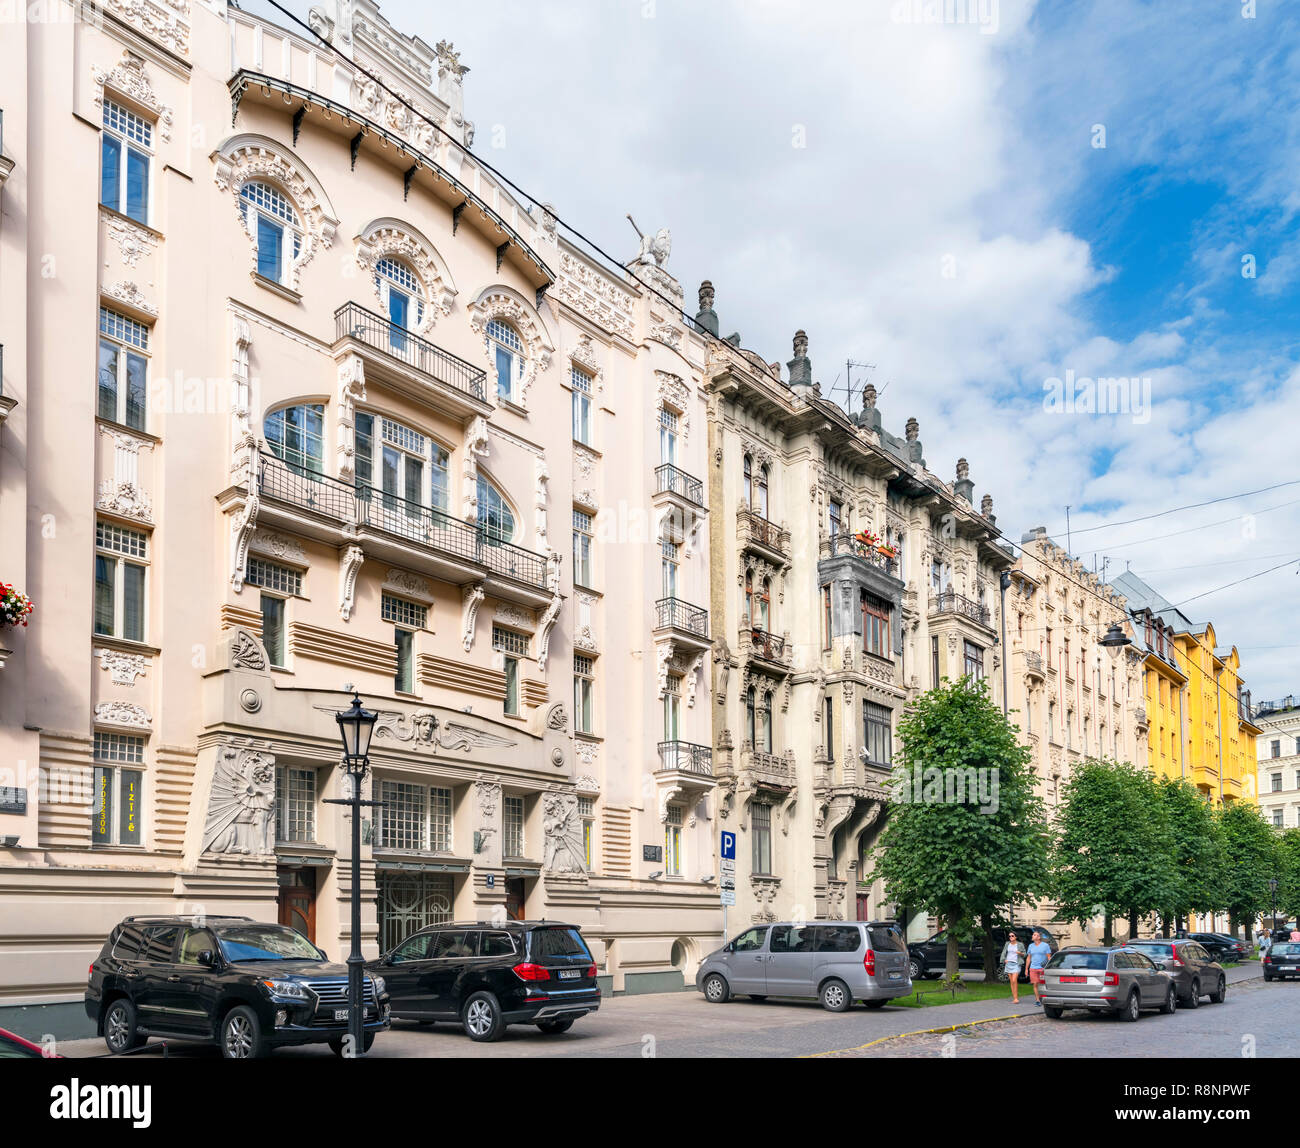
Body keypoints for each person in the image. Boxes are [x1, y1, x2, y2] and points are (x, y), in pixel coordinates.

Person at [1026, 930, 1052, 1006]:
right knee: (1035, 984)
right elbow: (1028, 958)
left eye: (1034, 935)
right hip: (1033, 968)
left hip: (1042, 968)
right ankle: (1037, 1000)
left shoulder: (1045, 945)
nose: (1032, 936)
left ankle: (1043, 998)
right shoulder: (1030, 946)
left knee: (1042, 984)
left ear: (1038, 937)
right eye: (1033, 935)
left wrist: (1049, 967)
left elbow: (1049, 957)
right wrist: (1026, 969)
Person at [1000, 932, 1024, 1004]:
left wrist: (1020, 953)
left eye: (1012, 936)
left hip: (1016, 964)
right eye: (1009, 936)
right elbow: (1004, 952)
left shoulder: (1020, 944)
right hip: (1008, 963)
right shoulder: (1007, 944)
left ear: (1016, 937)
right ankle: (1015, 998)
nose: (1010, 937)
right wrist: (1004, 960)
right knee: (1011, 982)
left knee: (1014, 980)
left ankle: (1016, 998)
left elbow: (1024, 954)